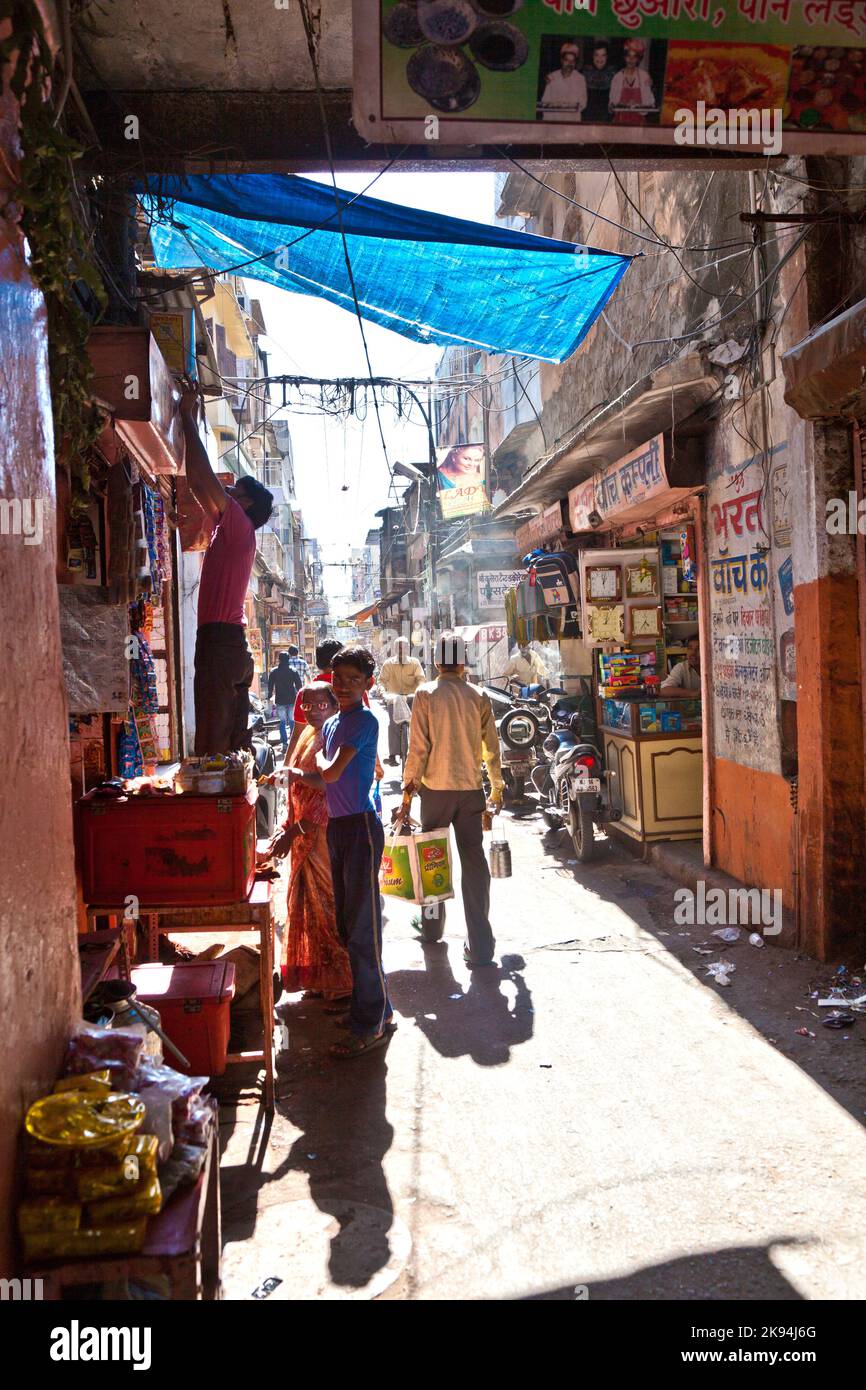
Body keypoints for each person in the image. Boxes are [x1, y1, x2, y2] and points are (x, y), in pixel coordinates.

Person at [287, 646, 392, 1058]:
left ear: (368, 684)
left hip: (362, 829)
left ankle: (371, 1023)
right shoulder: (333, 725)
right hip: (339, 829)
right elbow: (322, 782)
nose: (344, 686)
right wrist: (296, 776)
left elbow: (328, 773)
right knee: (350, 928)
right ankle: (378, 1010)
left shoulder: (362, 722)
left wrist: (300, 771)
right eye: (338, 678)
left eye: (353, 680)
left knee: (363, 931)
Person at [177, 382, 274, 754]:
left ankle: (215, 808)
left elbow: (203, 479)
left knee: (213, 744)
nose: (226, 493)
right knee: (227, 741)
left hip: (221, 641)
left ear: (243, 502)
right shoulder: (234, 529)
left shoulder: (237, 523)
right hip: (226, 641)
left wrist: (187, 418)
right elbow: (202, 487)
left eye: (233, 492)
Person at [400, 632, 503, 966]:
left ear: (435, 662)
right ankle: (482, 946)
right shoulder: (478, 695)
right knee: (474, 864)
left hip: (435, 792)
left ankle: (432, 929)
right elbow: (492, 748)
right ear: (463, 662)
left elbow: (418, 747)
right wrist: (497, 789)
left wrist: (407, 790)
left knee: (433, 861)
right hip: (471, 791)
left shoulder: (425, 694)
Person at [264, 683, 352, 1004]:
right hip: (303, 836)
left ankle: (342, 983)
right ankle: (318, 977)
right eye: (307, 706)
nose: (313, 711)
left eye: (320, 706)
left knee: (329, 909)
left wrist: (294, 830)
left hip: (323, 836)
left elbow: (330, 793)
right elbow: (297, 789)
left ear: (334, 706)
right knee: (308, 909)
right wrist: (288, 825)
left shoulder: (335, 738)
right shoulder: (305, 735)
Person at [378, 637, 426, 765]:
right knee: (393, 724)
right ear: (394, 649)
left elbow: (421, 679)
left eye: (404, 647)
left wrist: (420, 690)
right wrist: (383, 692)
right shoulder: (388, 664)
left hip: (411, 698)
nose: (401, 650)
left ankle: (418, 753)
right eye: (398, 647)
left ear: (408, 649)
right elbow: (381, 681)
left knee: (418, 725)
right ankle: (393, 755)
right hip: (393, 699)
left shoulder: (414, 663)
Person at [609, 38, 655, 126]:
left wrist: (638, 106)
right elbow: (612, 103)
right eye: (628, 56)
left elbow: (650, 102)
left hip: (638, 122)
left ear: (638, 59)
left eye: (634, 57)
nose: (631, 59)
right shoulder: (617, 77)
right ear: (624, 57)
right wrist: (622, 105)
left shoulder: (644, 76)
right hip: (620, 121)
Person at [540, 41, 588, 121]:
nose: (570, 64)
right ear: (562, 61)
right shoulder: (552, 77)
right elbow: (545, 102)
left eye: (572, 61)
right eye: (567, 60)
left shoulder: (580, 79)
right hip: (553, 121)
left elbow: (583, 103)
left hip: (572, 122)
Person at [267, 652, 304, 750]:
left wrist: (269, 695)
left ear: (279, 659)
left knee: (282, 722)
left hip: (280, 700)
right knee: (292, 721)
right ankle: (293, 742)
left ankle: (284, 744)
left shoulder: (274, 671)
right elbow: (299, 686)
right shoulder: (293, 671)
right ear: (288, 660)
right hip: (292, 699)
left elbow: (270, 685)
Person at [583, 42, 616, 123]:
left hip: (607, 118)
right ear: (592, 56)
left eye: (603, 55)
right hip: (588, 117)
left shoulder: (614, 73)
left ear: (607, 57)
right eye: (596, 55)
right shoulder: (584, 72)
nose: (599, 59)